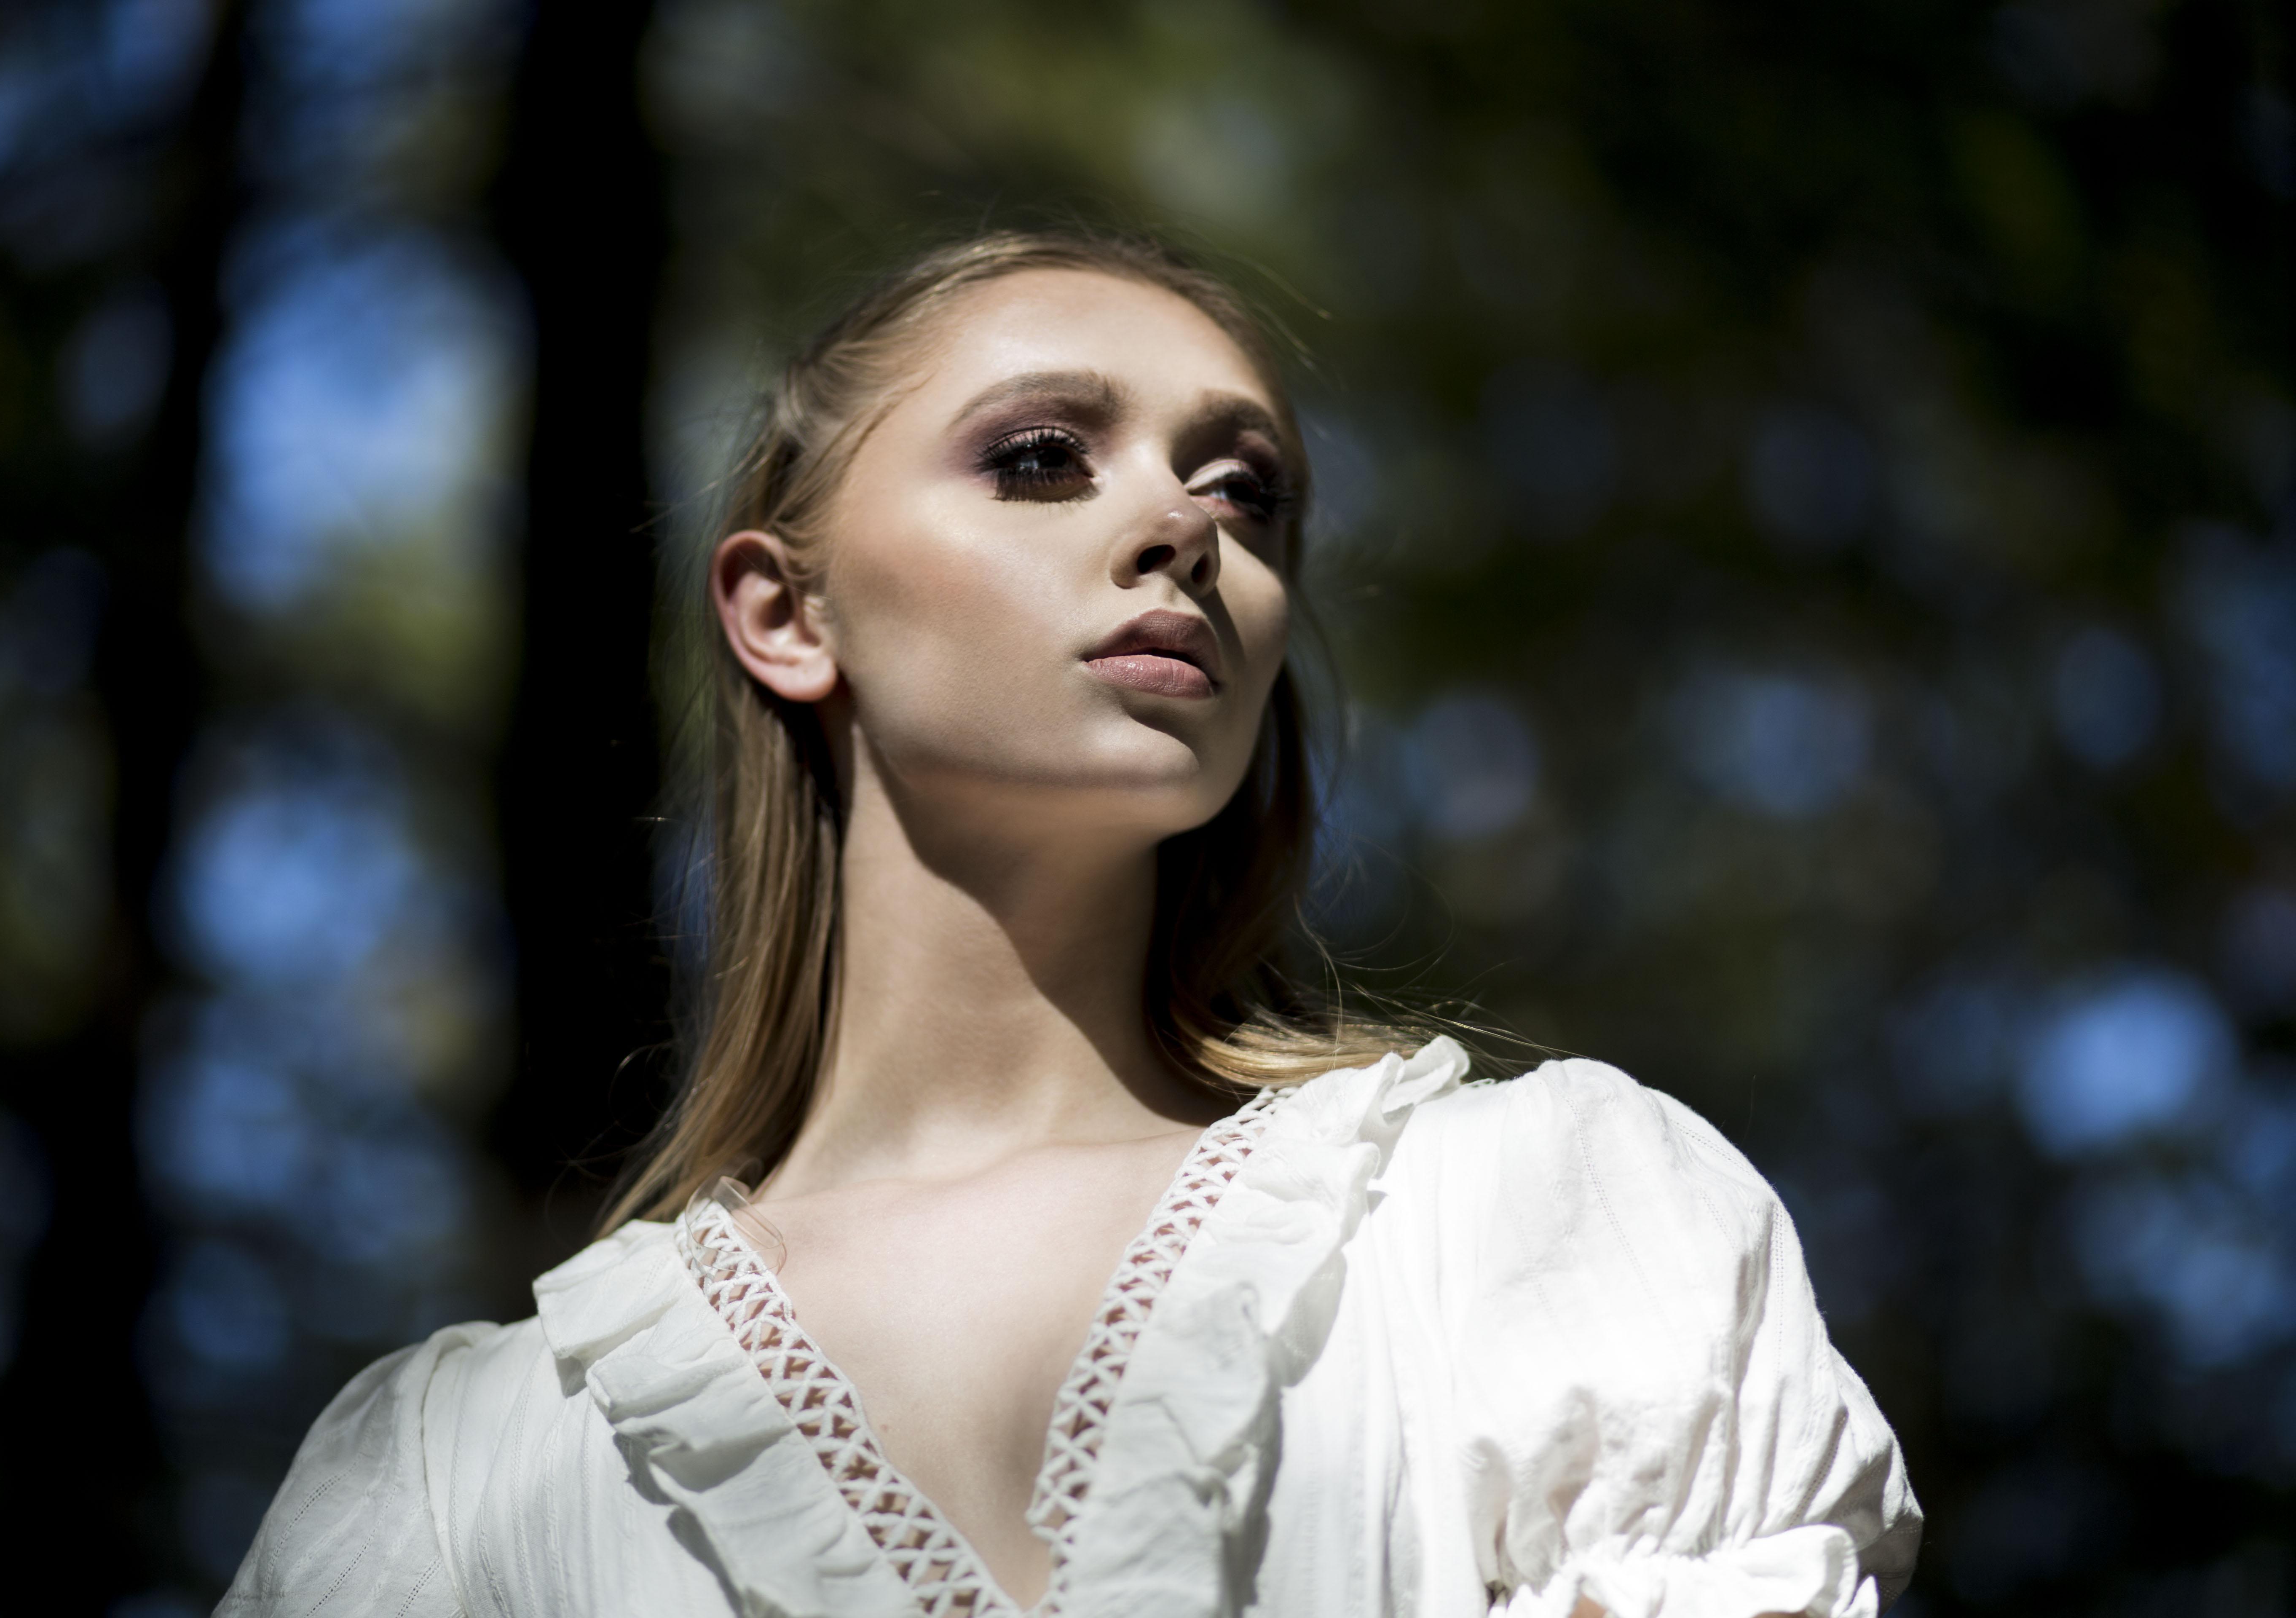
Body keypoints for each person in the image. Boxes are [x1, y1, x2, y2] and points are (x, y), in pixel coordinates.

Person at [218, 230, 1921, 1618]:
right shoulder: (468, 1483)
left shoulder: (1517, 1232)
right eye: (1043, 458)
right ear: (785, 611)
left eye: (1247, 492)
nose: (1187, 528)